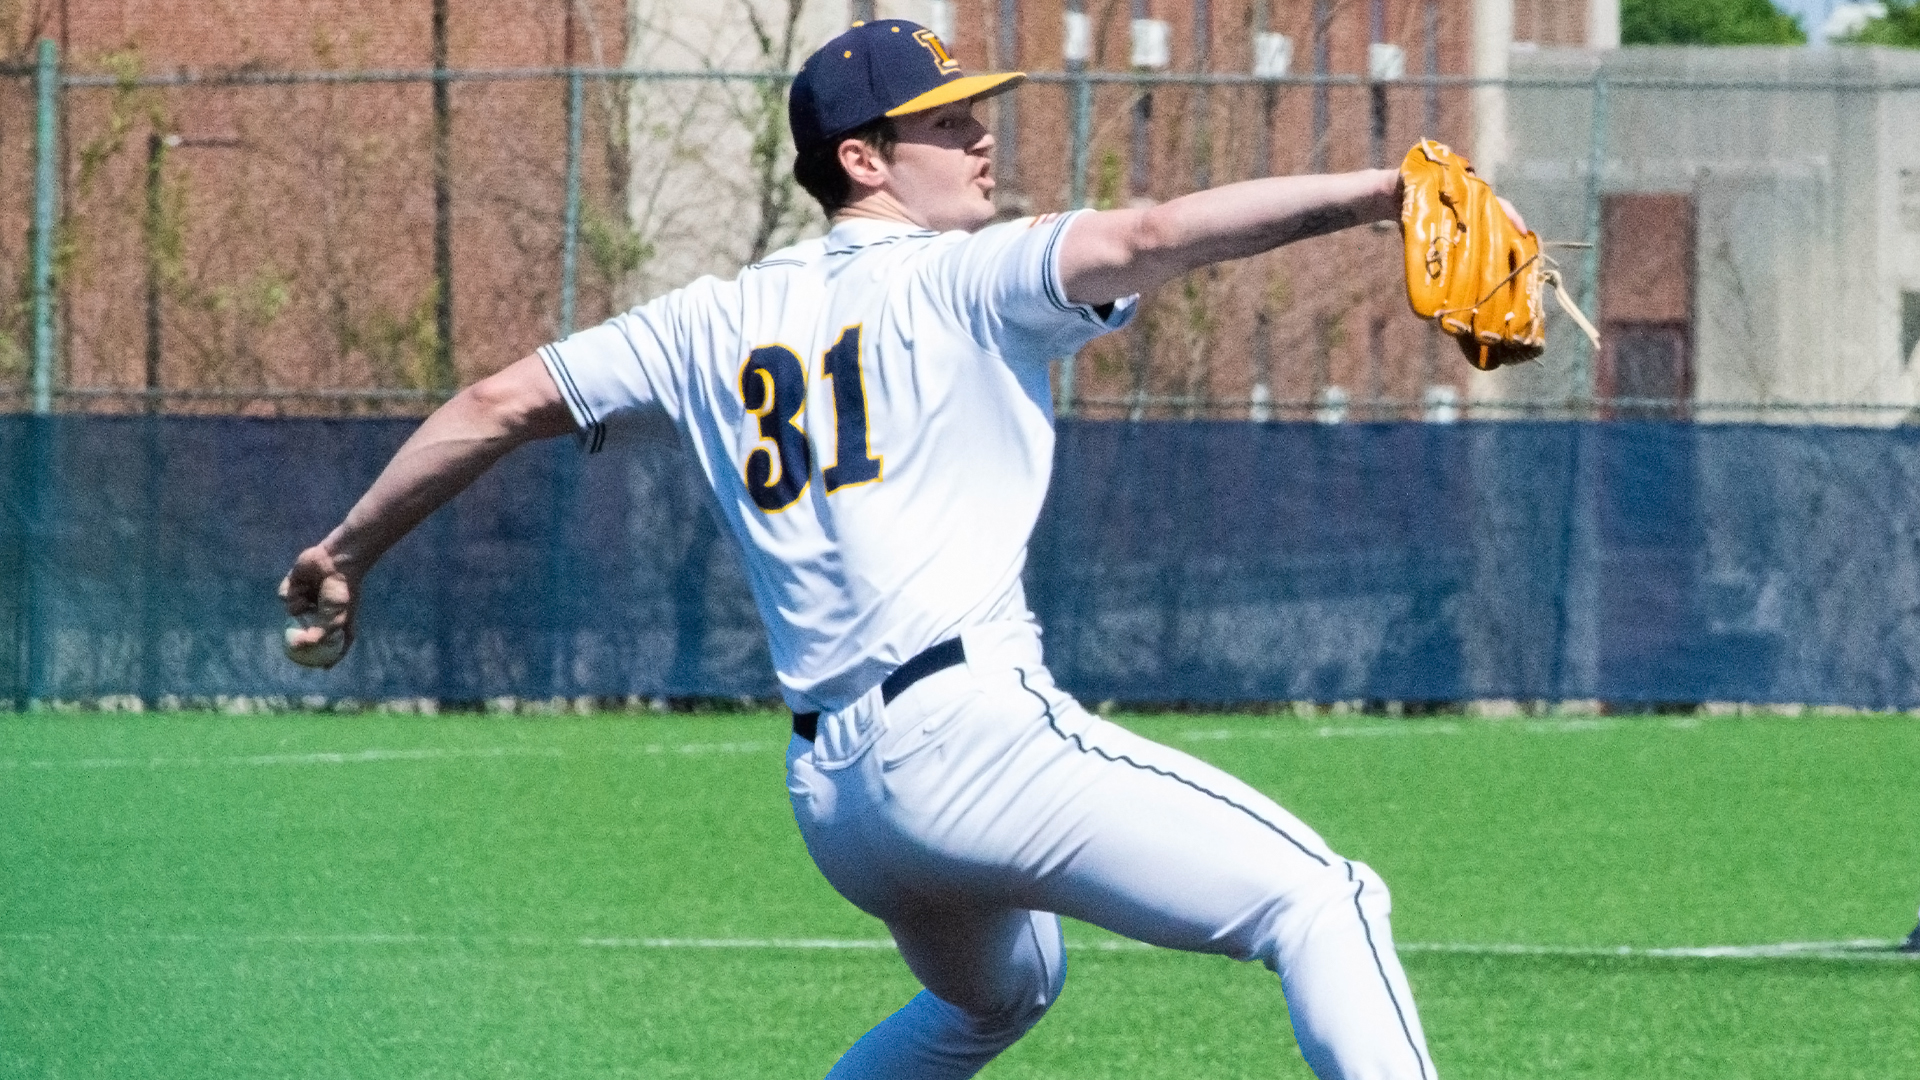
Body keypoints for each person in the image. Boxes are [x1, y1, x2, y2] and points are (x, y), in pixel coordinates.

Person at [282, 19, 1464, 1080]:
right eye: (945, 126)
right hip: (972, 741)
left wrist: (347, 548)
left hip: (843, 803)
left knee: (1004, 992)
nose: (982, 141)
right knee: (1323, 901)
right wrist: (1386, 194)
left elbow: (494, 402)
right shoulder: (961, 277)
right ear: (865, 159)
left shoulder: (706, 319)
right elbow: (1154, 231)